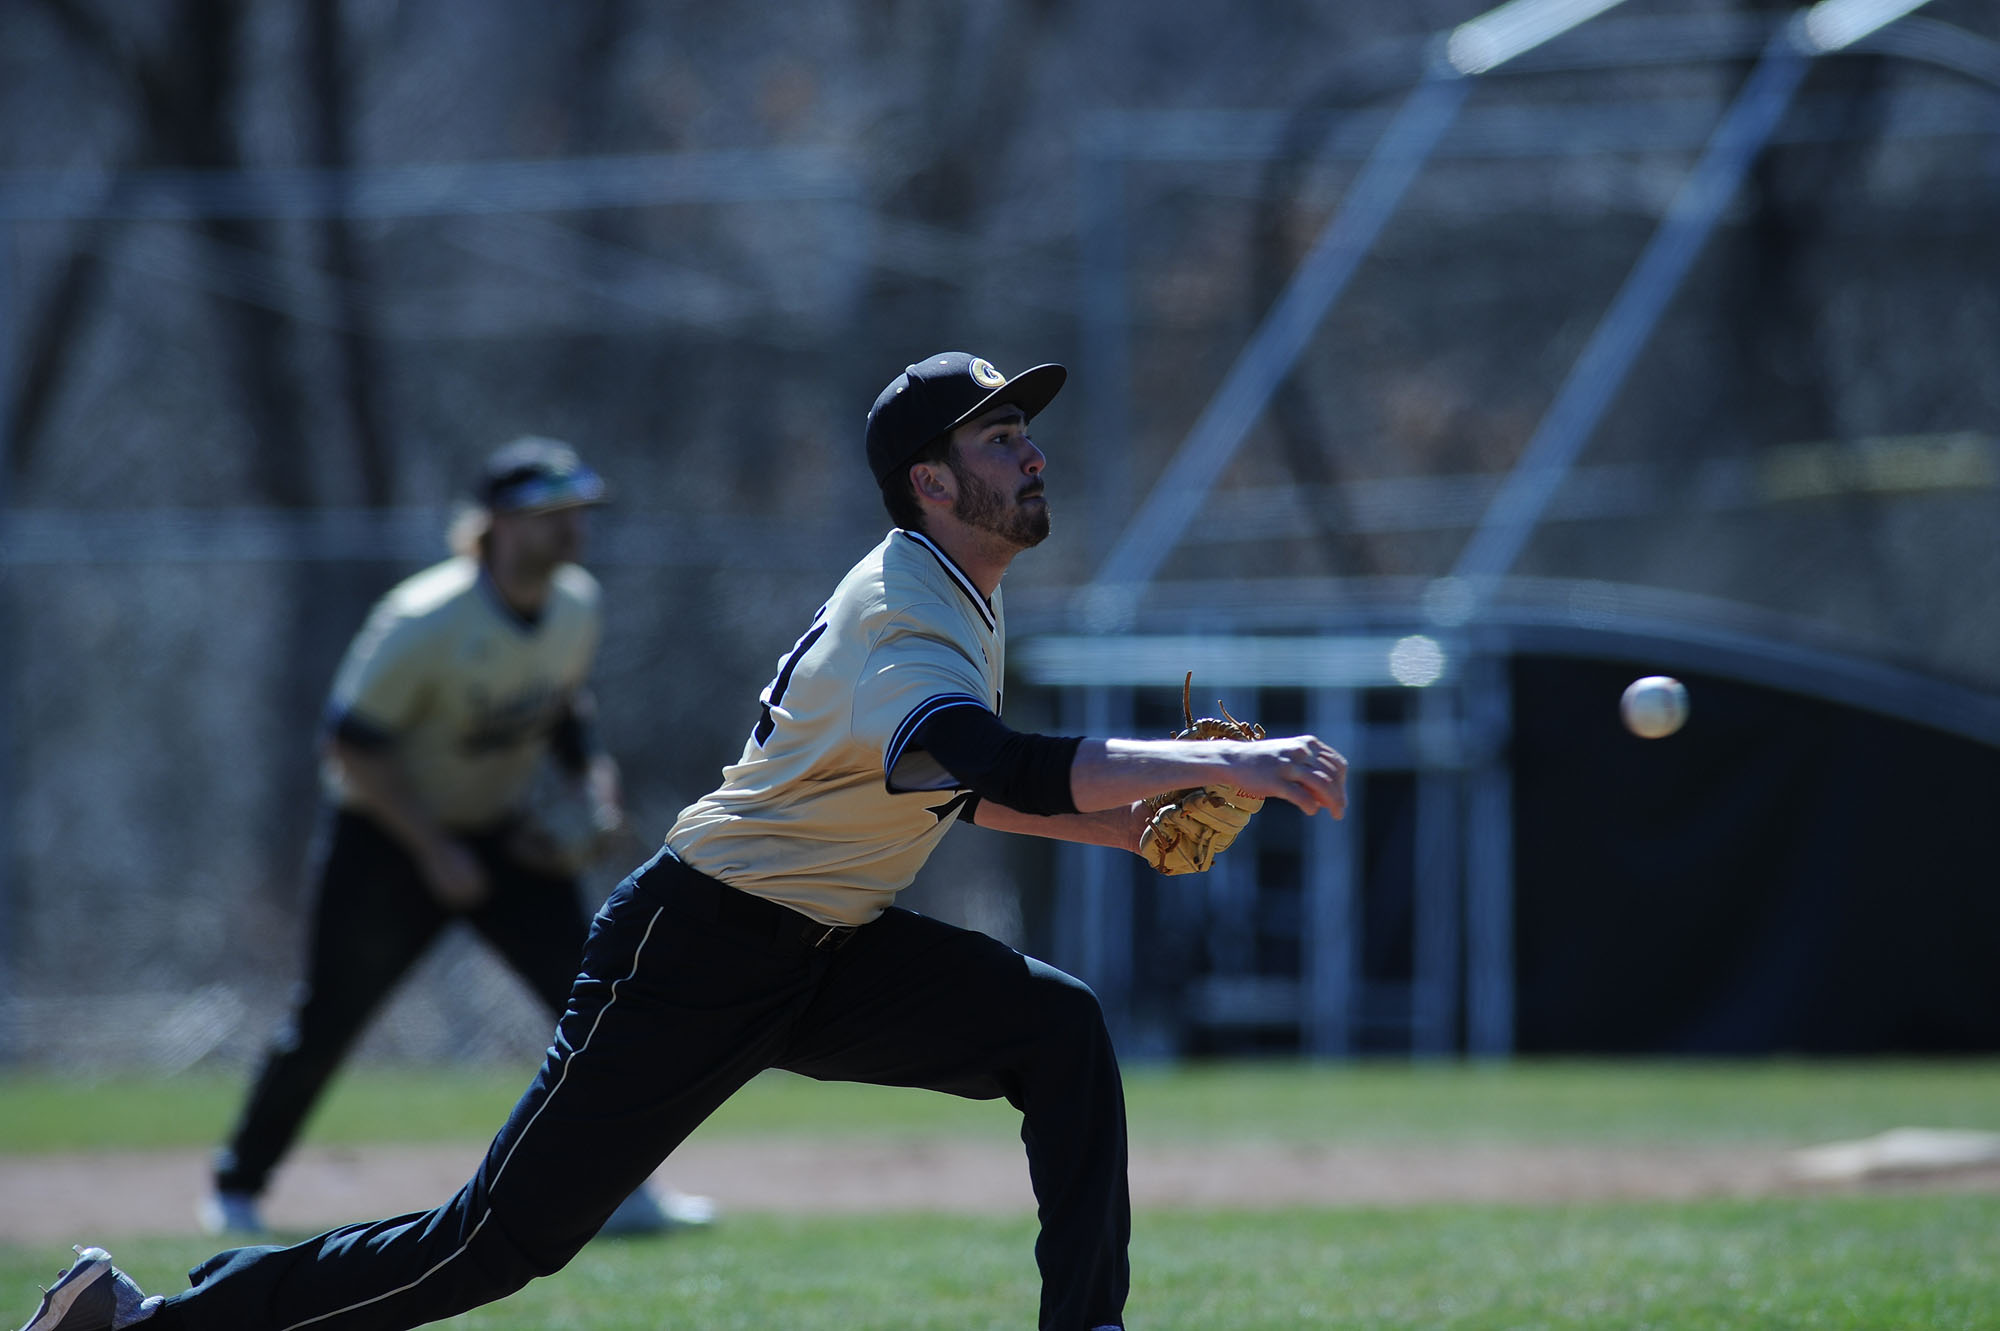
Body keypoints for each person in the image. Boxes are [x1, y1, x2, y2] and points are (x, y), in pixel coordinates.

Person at [19, 353, 1346, 1331]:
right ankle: (142, 1325)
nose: (1030, 452)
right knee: (493, 1243)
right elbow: (993, 761)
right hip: (696, 943)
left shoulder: (957, 596)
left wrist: (1120, 831)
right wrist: (1228, 758)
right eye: (999, 436)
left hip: (822, 948)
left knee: (1058, 1031)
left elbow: (944, 782)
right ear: (931, 482)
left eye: (1024, 431)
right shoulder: (904, 608)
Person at [199, 437, 711, 1242]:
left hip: (500, 834)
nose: (574, 530)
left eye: (579, 513)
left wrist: (592, 786)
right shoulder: (426, 617)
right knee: (329, 1016)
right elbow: (350, 745)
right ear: (500, 523)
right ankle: (237, 1185)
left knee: (597, 1003)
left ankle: (625, 1186)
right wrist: (434, 848)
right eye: (553, 515)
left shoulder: (576, 603)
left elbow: (564, 708)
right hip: (387, 839)